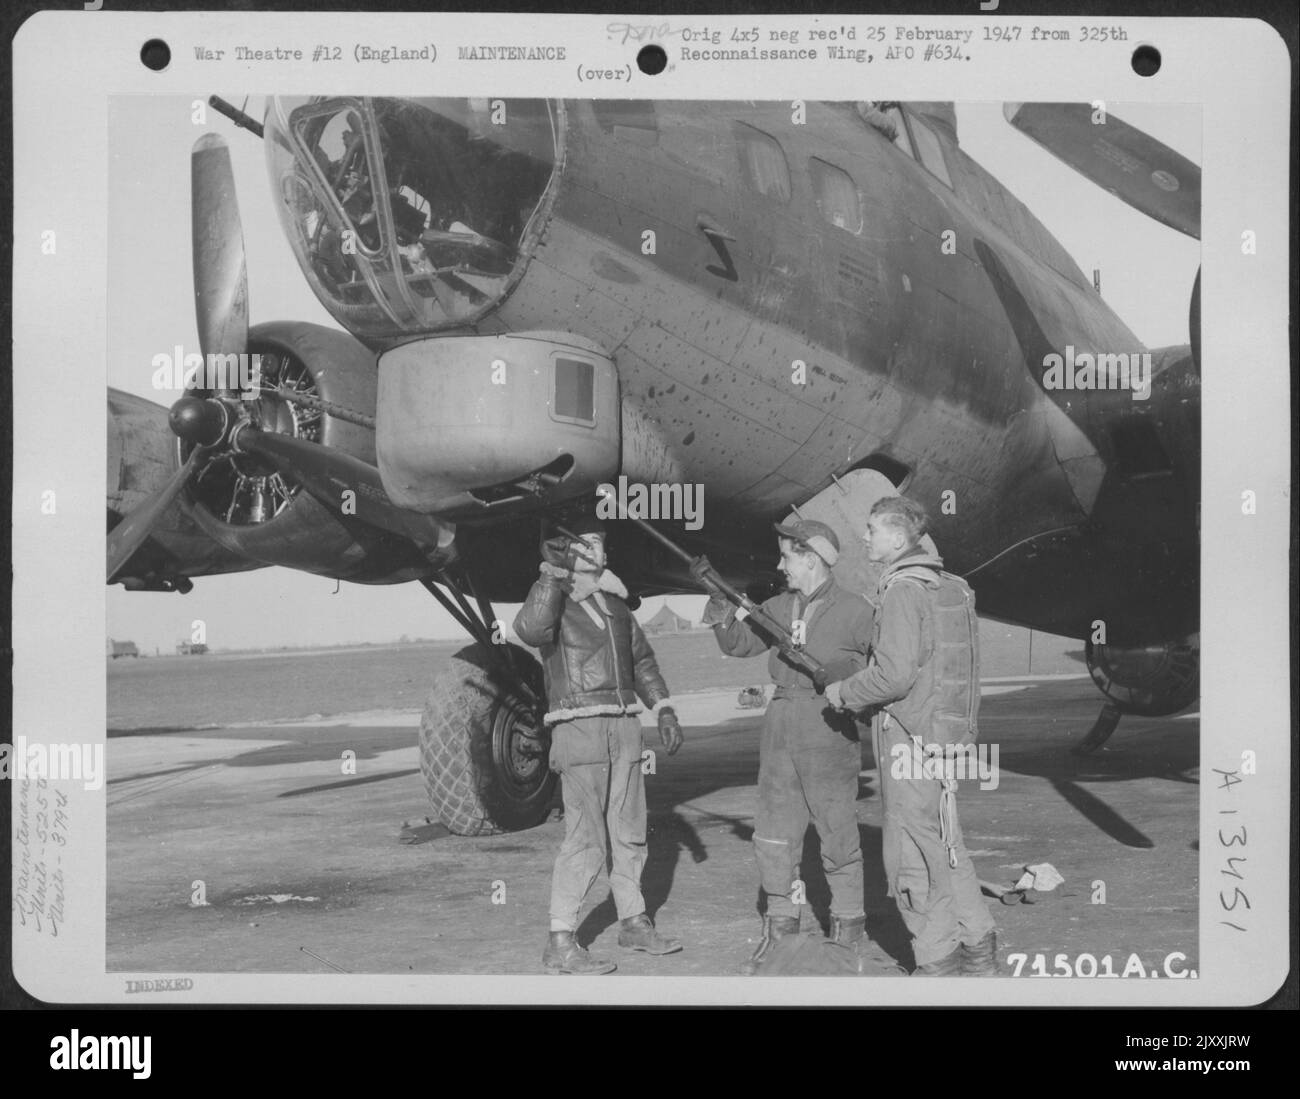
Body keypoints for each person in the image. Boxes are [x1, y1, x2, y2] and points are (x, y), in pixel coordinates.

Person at [824, 496, 997, 976]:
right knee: (945, 840)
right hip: (940, 735)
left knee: (912, 852)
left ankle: (937, 959)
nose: (865, 536)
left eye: (873, 528)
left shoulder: (902, 589)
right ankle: (979, 950)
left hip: (908, 737)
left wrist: (844, 691)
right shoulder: (943, 584)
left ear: (898, 539)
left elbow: (894, 676)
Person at [701, 520, 876, 973]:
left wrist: (842, 675)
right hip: (780, 723)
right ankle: (780, 930)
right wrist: (719, 605)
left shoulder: (857, 610)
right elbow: (739, 644)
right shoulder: (777, 605)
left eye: (787, 557)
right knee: (775, 832)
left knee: (837, 832)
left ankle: (849, 934)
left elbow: (879, 668)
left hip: (828, 723)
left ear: (812, 558)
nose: (781, 566)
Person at [514, 516, 685, 975]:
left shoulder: (616, 606)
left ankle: (634, 921)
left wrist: (663, 707)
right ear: (567, 552)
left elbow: (643, 661)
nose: (595, 549)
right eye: (584, 543)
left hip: (625, 726)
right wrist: (549, 576)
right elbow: (529, 631)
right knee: (585, 840)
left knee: (630, 831)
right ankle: (560, 940)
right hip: (578, 727)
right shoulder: (553, 601)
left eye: (598, 543)